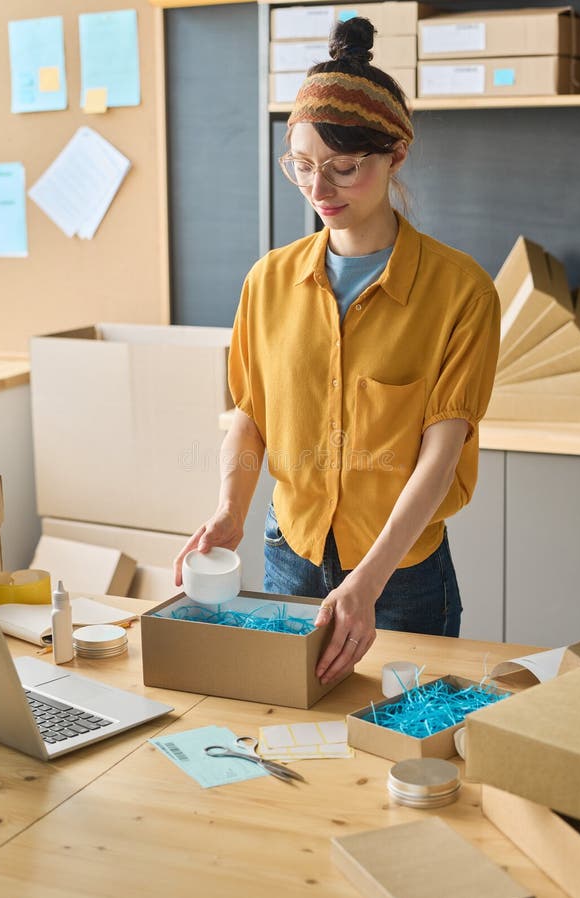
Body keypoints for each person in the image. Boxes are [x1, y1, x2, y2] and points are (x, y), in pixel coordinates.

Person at [174, 17, 500, 688]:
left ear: (396, 155)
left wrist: (367, 581)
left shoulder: (460, 291)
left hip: (401, 575)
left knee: (399, 744)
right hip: (287, 556)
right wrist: (230, 511)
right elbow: (250, 416)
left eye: (344, 169)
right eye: (301, 166)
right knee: (285, 729)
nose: (319, 191)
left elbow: (441, 457)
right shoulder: (267, 280)